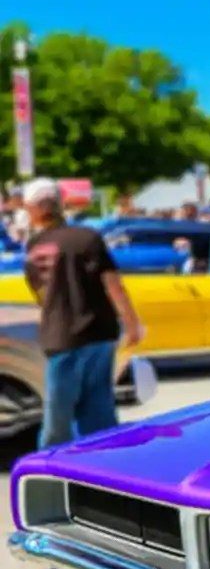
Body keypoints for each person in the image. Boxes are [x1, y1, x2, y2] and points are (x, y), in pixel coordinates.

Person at [21, 178, 143, 447]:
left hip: (62, 337)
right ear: (59, 204)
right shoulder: (88, 237)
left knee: (58, 418)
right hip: (100, 333)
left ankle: (50, 474)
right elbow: (114, 285)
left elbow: (42, 296)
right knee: (99, 413)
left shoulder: (33, 248)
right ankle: (104, 469)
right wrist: (132, 324)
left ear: (36, 209)